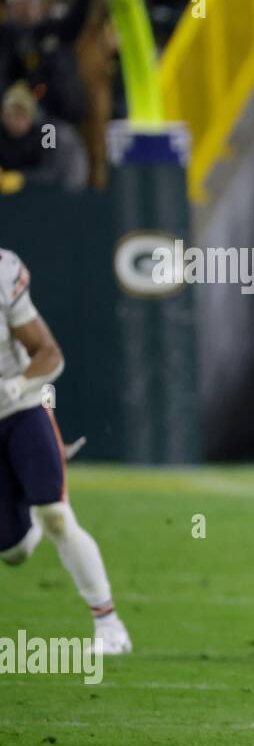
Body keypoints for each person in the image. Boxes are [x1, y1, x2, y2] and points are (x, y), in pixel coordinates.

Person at [0, 248, 129, 655]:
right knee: (14, 550)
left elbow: (49, 353)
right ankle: (25, 516)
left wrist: (17, 386)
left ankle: (109, 625)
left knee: (56, 516)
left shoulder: (4, 274)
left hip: (22, 408)